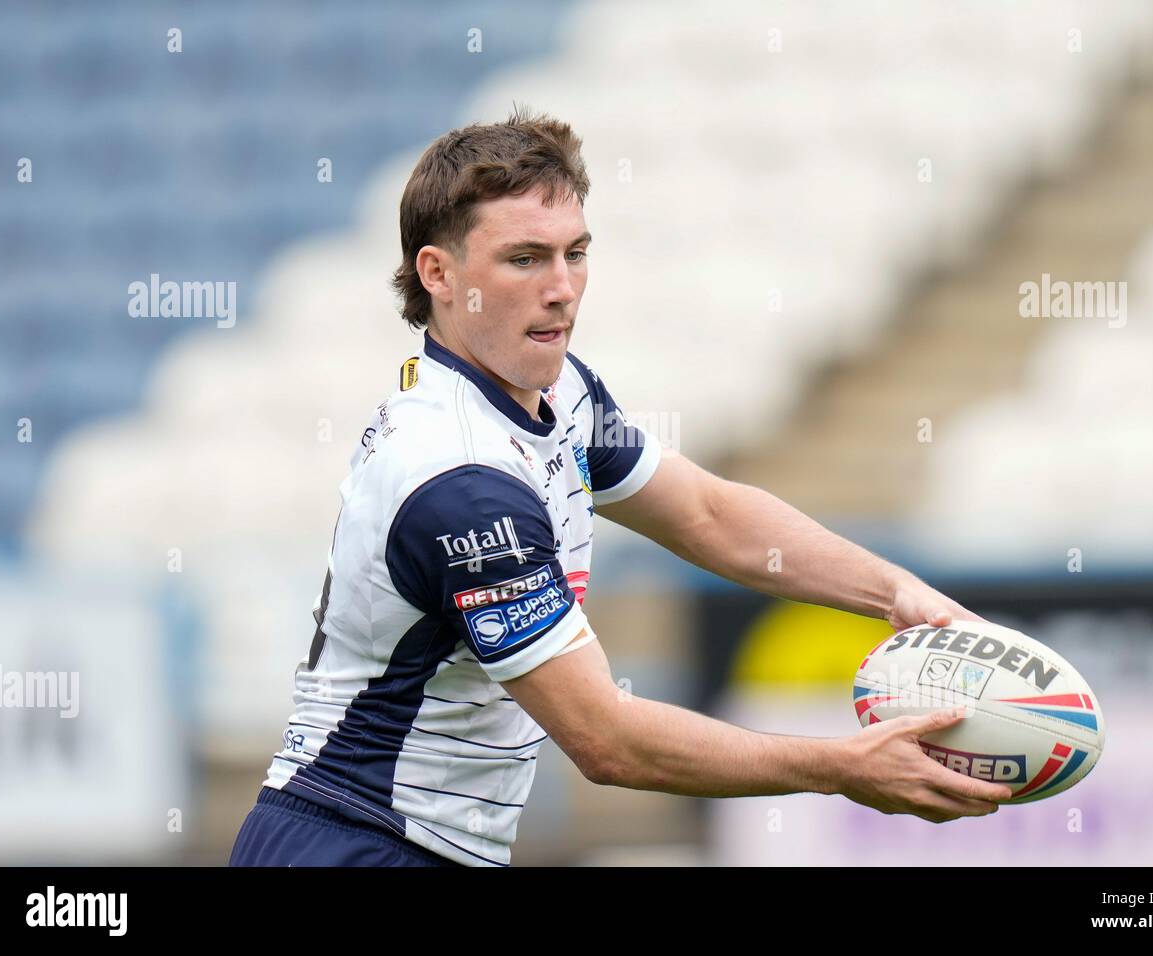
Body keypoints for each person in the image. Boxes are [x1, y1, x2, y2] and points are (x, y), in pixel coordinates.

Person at [229, 106, 1011, 868]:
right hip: (354, 841)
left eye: (576, 253)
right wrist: (842, 768)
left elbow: (706, 514)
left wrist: (896, 592)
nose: (563, 288)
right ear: (438, 273)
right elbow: (607, 740)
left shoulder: (557, 392)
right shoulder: (463, 485)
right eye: (525, 258)